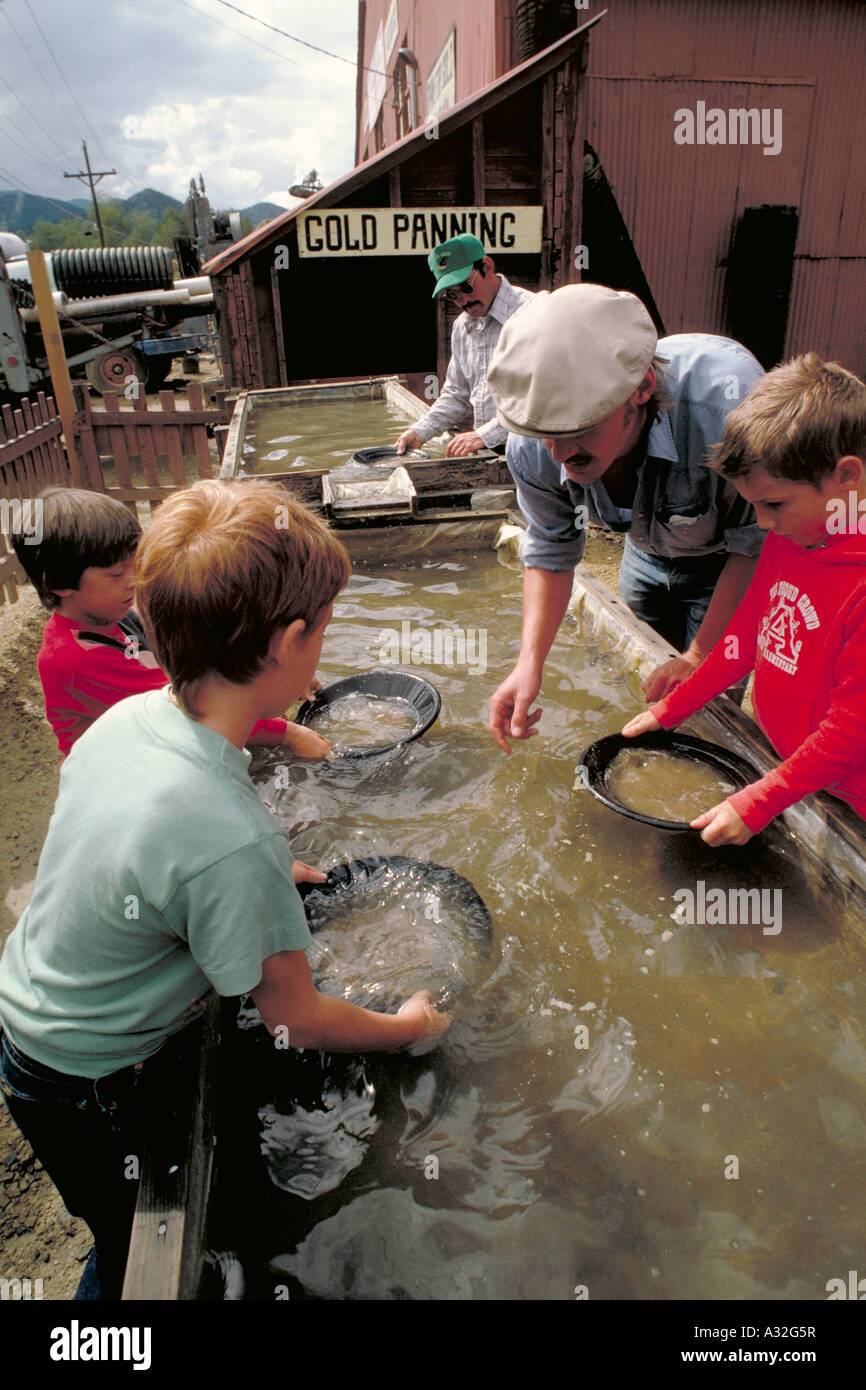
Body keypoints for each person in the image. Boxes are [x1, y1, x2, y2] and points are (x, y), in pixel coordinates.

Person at [0, 479, 449, 1298]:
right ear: (286, 644)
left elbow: (142, 843)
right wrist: (405, 1027)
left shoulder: (127, 724)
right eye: (320, 635)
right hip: (87, 1075)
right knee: (128, 1241)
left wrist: (259, 871)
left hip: (34, 1027)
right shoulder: (231, 834)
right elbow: (297, 1019)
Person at [484, 282, 766, 752]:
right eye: (545, 434)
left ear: (642, 390)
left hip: (725, 563)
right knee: (641, 677)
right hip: (645, 548)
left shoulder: (729, 416)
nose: (559, 453)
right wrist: (528, 665)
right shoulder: (534, 445)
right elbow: (553, 549)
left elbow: (755, 546)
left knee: (705, 705)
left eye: (578, 429)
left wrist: (699, 656)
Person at [621, 353, 866, 846]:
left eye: (773, 503)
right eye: (752, 505)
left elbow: (851, 727)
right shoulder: (791, 537)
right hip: (792, 773)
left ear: (846, 477)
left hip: (850, 797)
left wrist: (760, 800)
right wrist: (676, 707)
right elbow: (747, 635)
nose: (762, 523)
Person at [12, 485, 330, 759]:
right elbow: (190, 710)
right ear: (59, 584)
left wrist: (281, 676)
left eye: (135, 565)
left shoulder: (114, 618)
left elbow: (192, 668)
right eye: (117, 574)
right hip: (128, 777)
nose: (134, 581)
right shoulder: (75, 657)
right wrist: (287, 734)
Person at [395, 233, 534, 459]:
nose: (463, 301)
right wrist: (419, 431)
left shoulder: (531, 312)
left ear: (487, 266)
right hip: (490, 454)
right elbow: (457, 393)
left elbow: (541, 399)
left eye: (467, 287)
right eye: (452, 294)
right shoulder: (462, 326)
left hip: (538, 455)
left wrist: (482, 435)